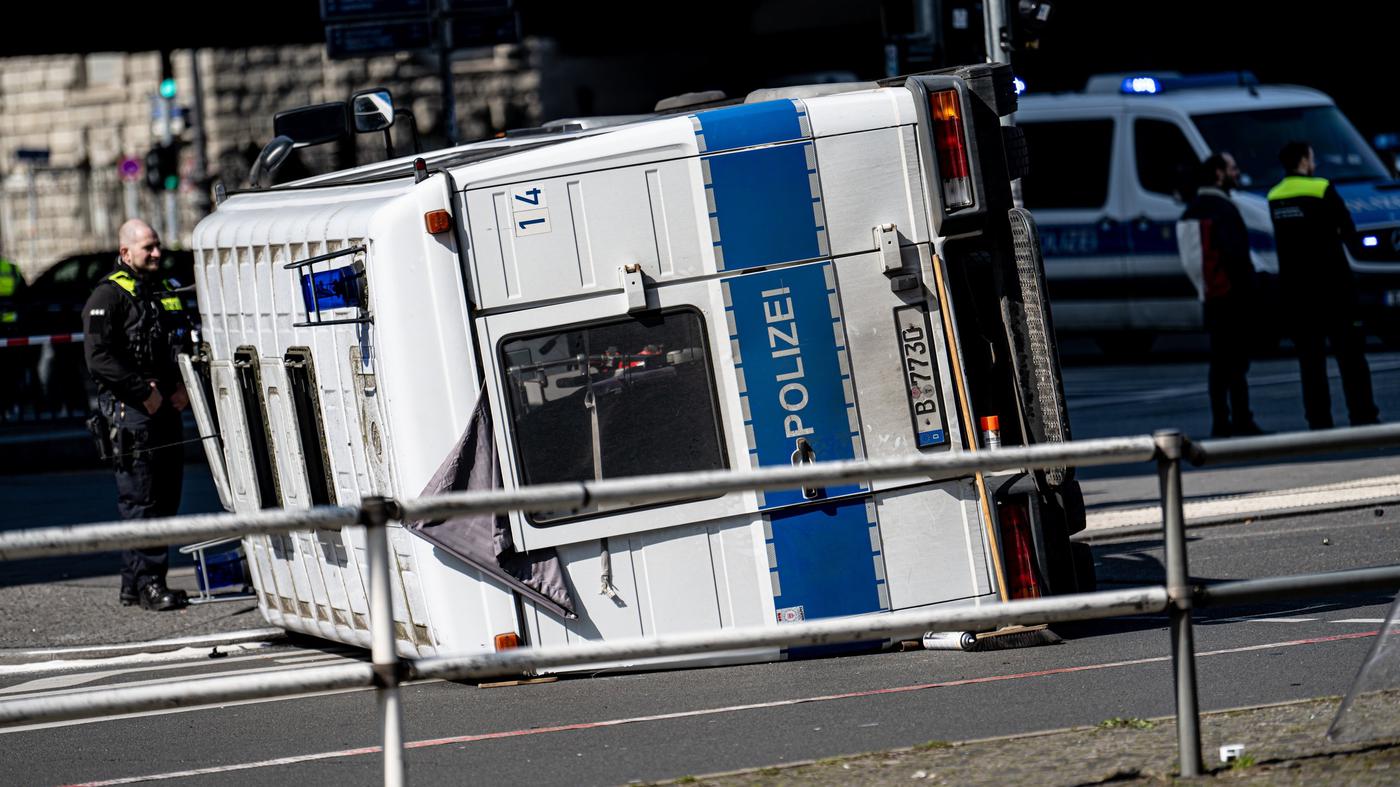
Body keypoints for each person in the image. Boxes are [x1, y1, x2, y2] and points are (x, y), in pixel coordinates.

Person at [83, 219, 192, 611]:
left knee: (165, 497)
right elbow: (99, 359)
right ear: (126, 252)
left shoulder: (162, 290)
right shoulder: (108, 296)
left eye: (158, 245)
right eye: (148, 247)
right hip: (133, 411)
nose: (157, 253)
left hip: (164, 406)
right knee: (141, 500)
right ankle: (149, 584)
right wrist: (141, 391)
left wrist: (182, 385)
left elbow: (183, 338)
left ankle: (133, 584)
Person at [1267, 142, 1380, 429]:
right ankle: (1363, 414)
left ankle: (1318, 420)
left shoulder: (1274, 196)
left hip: (1297, 292)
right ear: (1305, 161)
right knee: (1351, 357)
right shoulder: (1321, 188)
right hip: (1334, 288)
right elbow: (1347, 228)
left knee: (1311, 363)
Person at [1178, 153, 1265, 437]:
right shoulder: (1224, 209)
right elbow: (1237, 257)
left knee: (1219, 362)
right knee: (1236, 363)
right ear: (1218, 174)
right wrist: (1252, 292)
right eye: (1232, 168)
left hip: (1211, 296)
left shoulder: (1191, 210)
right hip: (1232, 298)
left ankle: (1221, 420)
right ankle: (1242, 419)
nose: (1237, 173)